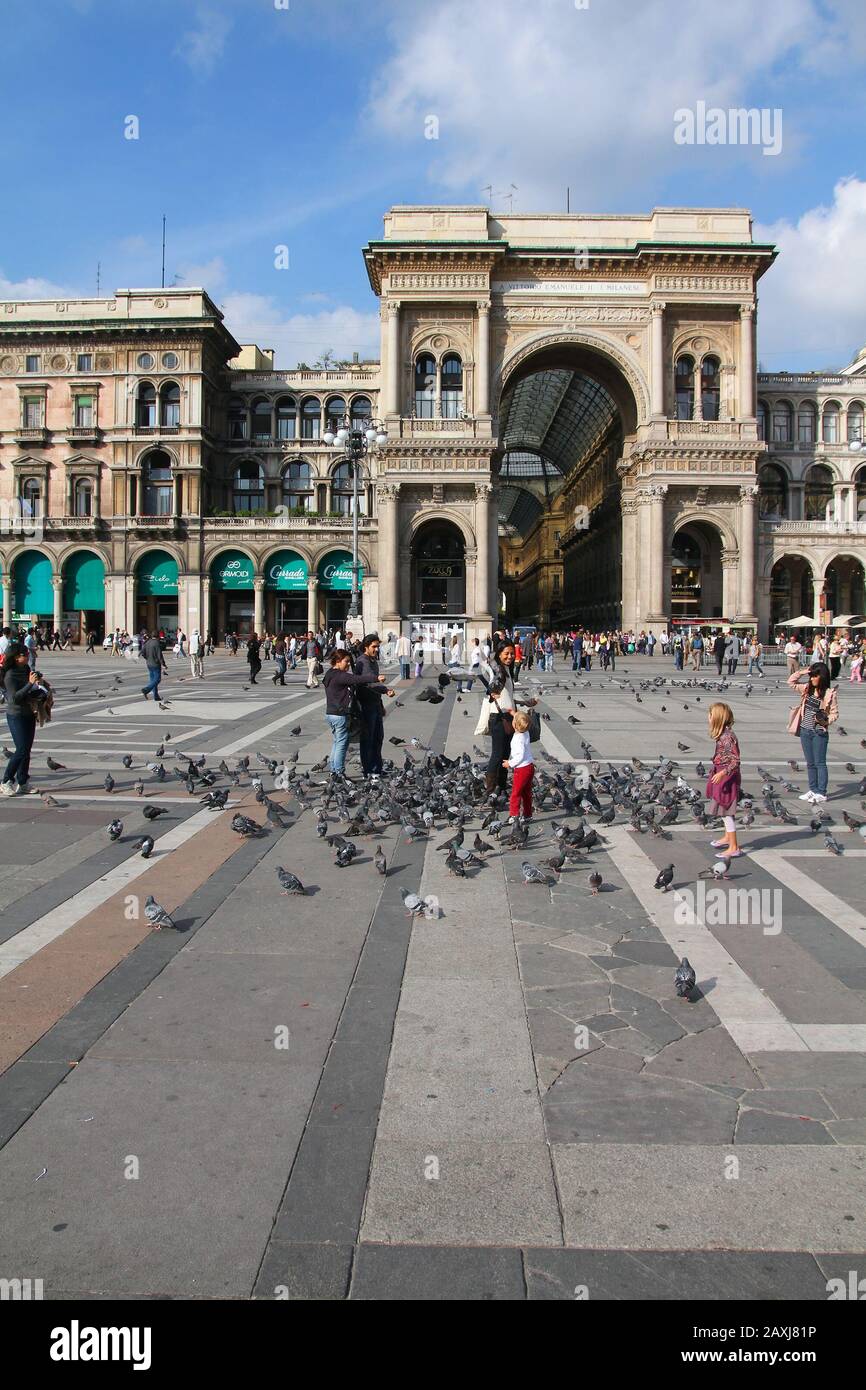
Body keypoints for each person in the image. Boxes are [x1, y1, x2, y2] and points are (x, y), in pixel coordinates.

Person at [323, 649, 391, 778]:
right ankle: (338, 772)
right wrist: (376, 677)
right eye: (346, 661)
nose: (348, 664)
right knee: (342, 744)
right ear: (337, 661)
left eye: (349, 662)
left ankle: (333, 770)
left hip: (331, 713)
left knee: (337, 742)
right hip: (339, 714)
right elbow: (357, 678)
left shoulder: (330, 674)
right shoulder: (340, 675)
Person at [1, 643, 51, 797]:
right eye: (24, 653)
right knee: (21, 749)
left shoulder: (26, 669)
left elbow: (29, 691)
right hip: (16, 715)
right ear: (16, 657)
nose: (27, 655)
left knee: (26, 750)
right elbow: (14, 698)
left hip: (29, 712)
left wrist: (39, 685)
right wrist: (30, 683)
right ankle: (5, 781)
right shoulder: (9, 675)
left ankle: (23, 782)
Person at [788, 661, 838, 804]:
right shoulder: (807, 688)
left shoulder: (829, 694)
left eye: (815, 676)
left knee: (820, 763)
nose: (812, 679)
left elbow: (835, 713)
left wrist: (826, 721)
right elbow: (791, 682)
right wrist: (803, 672)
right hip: (805, 730)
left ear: (821, 677)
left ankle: (821, 792)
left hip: (818, 733)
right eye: (811, 676)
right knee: (810, 763)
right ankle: (813, 789)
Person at [353, 634, 395, 777]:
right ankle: (368, 770)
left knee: (378, 737)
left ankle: (377, 768)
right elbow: (369, 683)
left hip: (375, 703)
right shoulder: (362, 661)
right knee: (368, 738)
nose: (377, 649)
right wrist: (386, 690)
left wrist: (381, 703)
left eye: (378, 646)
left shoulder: (373, 661)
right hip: (366, 704)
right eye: (374, 646)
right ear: (366, 646)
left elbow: (374, 684)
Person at [706, 702, 742, 860]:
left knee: (727, 811)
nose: (708, 717)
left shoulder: (727, 737)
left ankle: (734, 847)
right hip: (721, 775)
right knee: (722, 809)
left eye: (710, 715)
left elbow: (735, 761)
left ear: (718, 718)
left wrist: (722, 774)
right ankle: (728, 837)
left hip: (727, 778)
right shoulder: (723, 734)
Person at [504, 708, 534, 822]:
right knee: (526, 793)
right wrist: (514, 714)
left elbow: (520, 756)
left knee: (515, 793)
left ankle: (514, 815)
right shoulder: (525, 732)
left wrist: (509, 763)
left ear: (514, 725)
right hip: (530, 767)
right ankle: (528, 815)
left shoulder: (518, 739)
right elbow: (522, 720)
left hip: (521, 769)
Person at [141, 631, 167, 700]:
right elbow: (159, 655)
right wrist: (163, 664)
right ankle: (146, 689)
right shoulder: (156, 643)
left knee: (153, 680)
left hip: (149, 663)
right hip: (155, 664)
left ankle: (156, 696)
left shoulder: (147, 642)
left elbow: (143, 652)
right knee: (157, 679)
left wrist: (147, 658)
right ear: (157, 636)